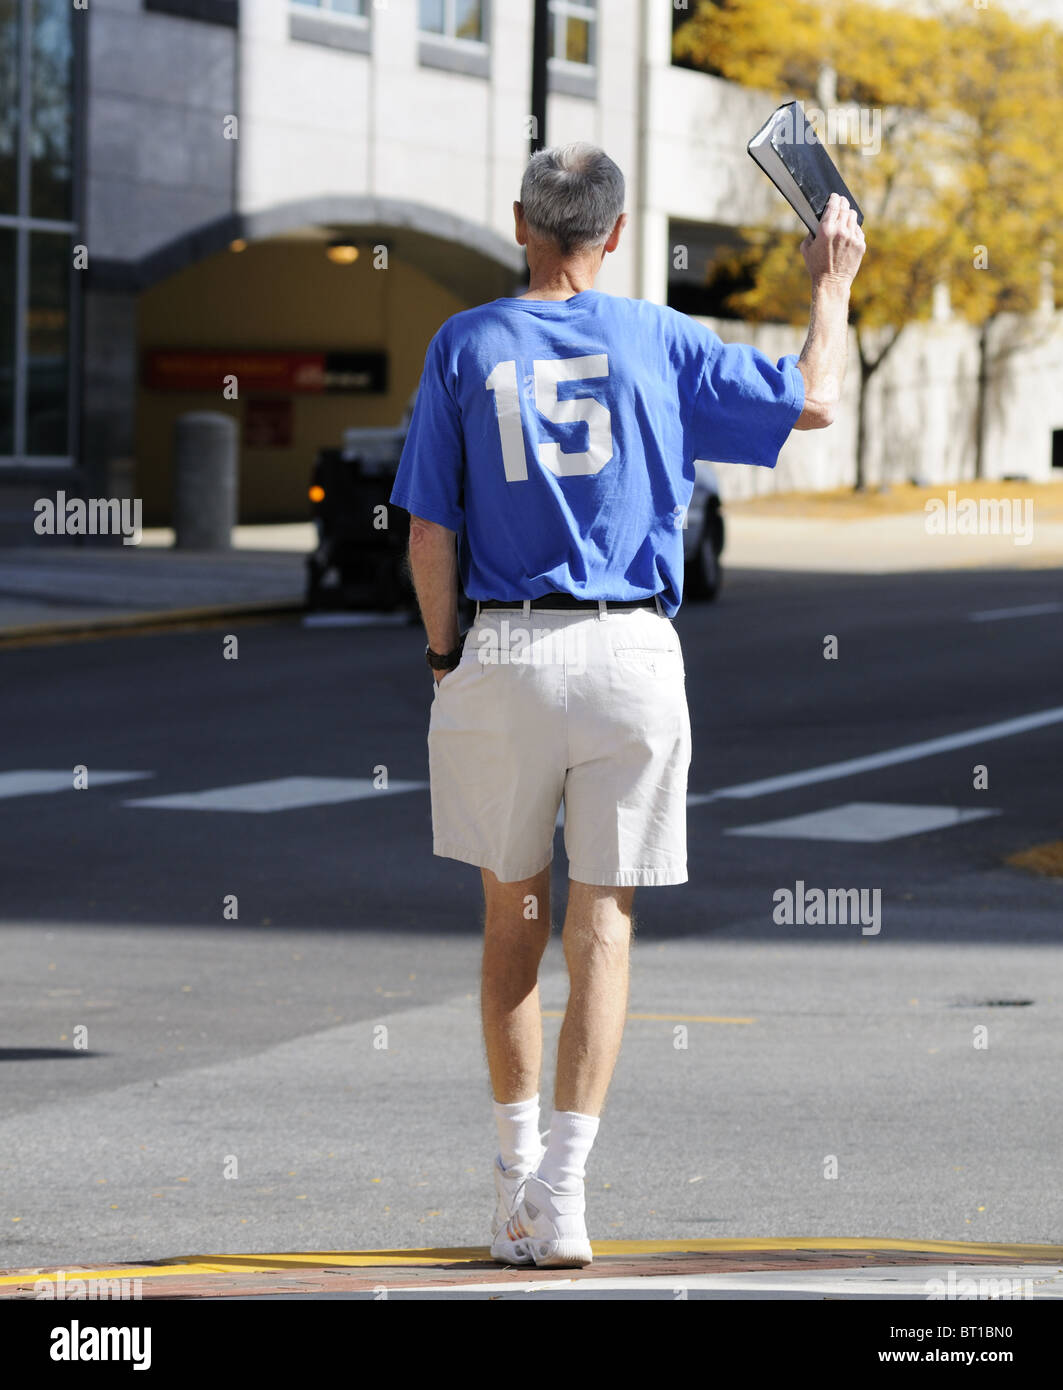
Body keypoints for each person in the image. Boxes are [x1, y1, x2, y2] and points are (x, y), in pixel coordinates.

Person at [388, 143, 865, 1268]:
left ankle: (511, 1185)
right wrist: (832, 282)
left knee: (512, 917)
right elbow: (813, 400)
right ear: (613, 233)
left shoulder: (464, 342)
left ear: (519, 223)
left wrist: (446, 655)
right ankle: (563, 1197)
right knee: (602, 923)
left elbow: (428, 530)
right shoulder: (659, 337)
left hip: (507, 643)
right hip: (631, 650)